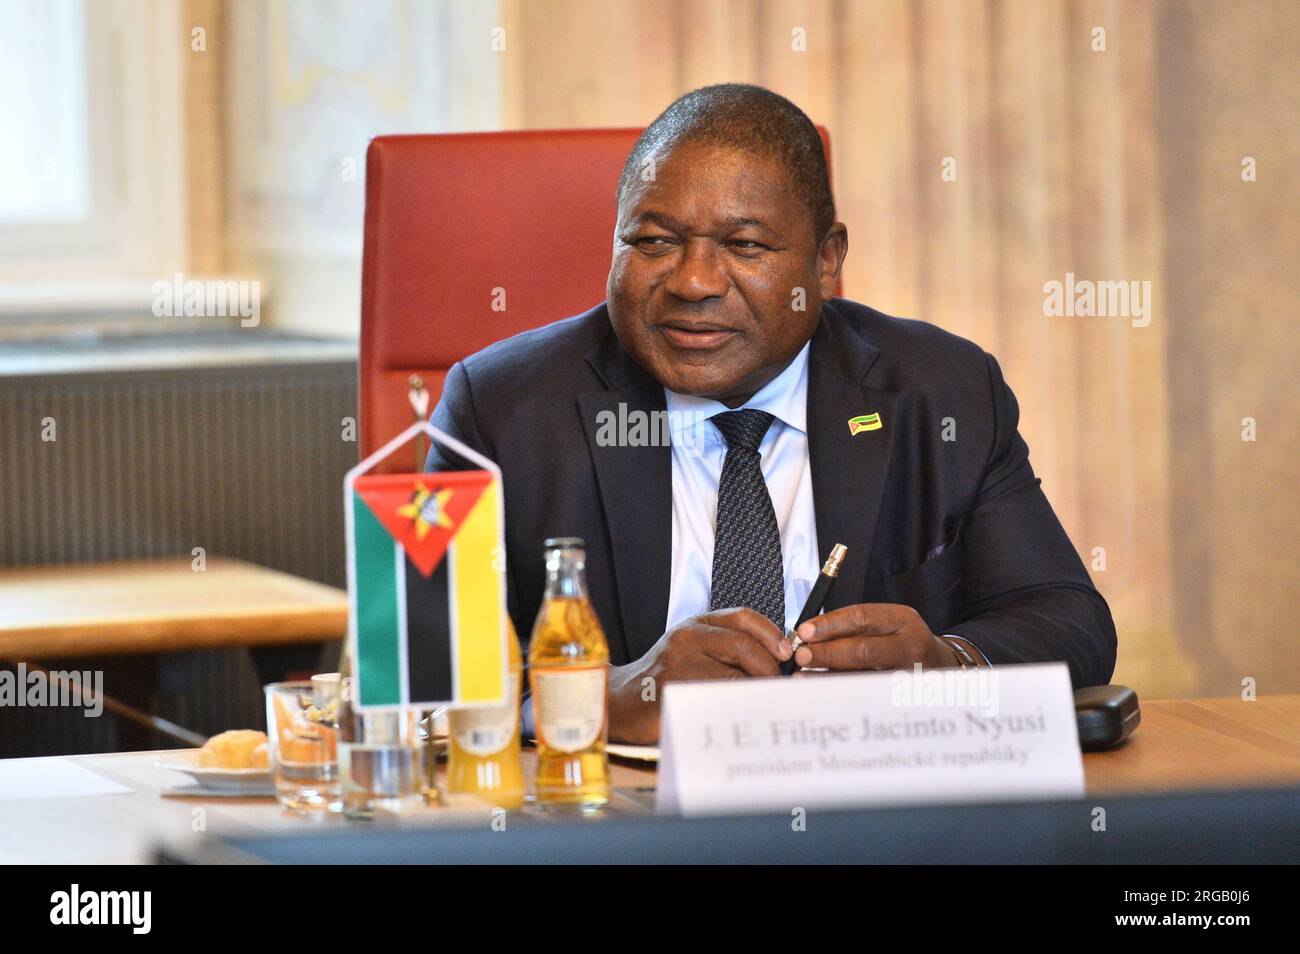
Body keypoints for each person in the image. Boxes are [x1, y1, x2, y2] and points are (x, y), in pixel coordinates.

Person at [428, 83, 1116, 744]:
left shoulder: (940, 392)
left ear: (825, 260)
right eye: (653, 241)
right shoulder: (502, 411)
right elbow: (426, 671)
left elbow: (1069, 622)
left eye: (745, 246)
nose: (693, 283)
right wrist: (612, 696)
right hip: (618, 819)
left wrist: (944, 665)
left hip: (872, 814)